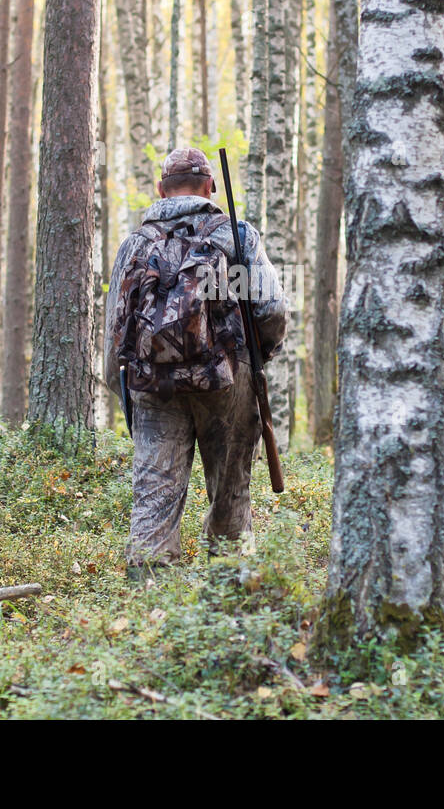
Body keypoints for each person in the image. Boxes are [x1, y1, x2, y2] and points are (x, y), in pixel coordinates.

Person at [105, 147, 288, 583]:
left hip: (153, 385)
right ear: (210, 187)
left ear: (160, 189)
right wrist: (253, 361)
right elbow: (270, 311)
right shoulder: (235, 238)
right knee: (230, 493)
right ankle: (229, 594)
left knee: (155, 493)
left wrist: (127, 389)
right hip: (226, 383)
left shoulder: (136, 244)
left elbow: (116, 328)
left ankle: (149, 597)